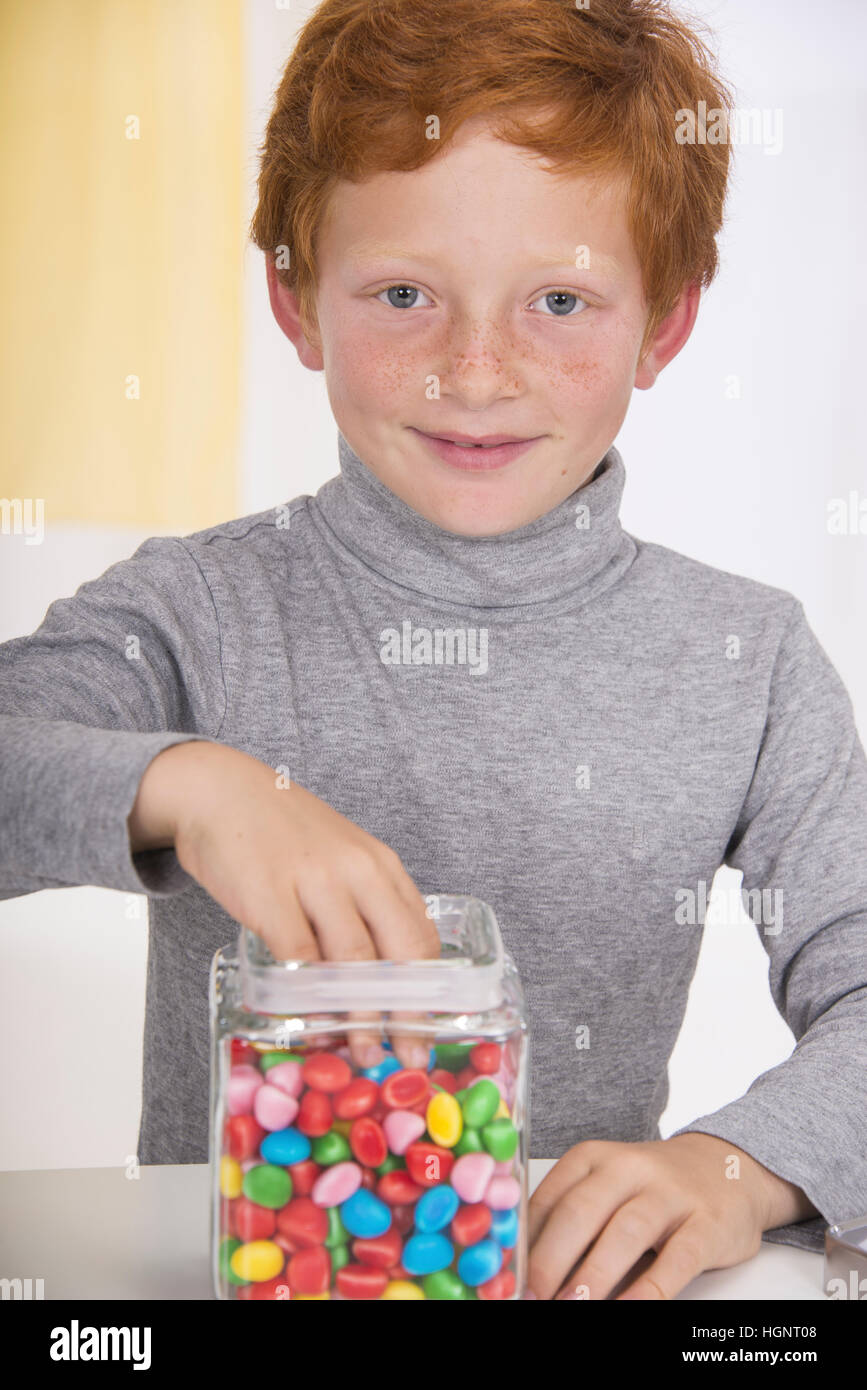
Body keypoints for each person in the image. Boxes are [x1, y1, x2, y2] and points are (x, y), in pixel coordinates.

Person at [2, 0, 865, 1300]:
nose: (477, 368)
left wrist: (731, 1169)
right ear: (297, 301)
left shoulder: (749, 660)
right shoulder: (199, 608)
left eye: (560, 300)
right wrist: (196, 784)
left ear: (665, 323)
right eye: (405, 293)